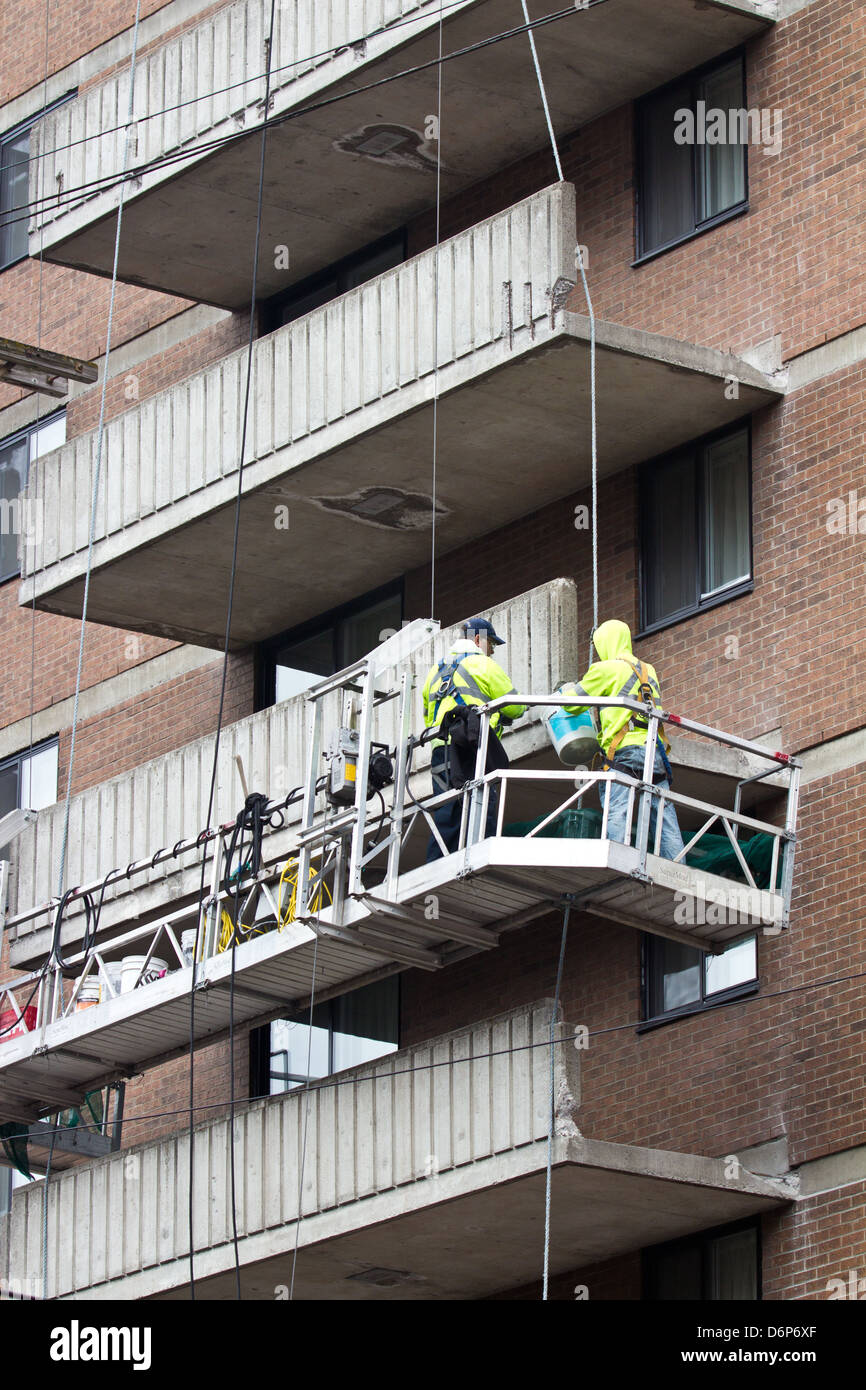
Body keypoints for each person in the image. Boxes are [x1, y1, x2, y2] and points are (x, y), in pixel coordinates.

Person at [562, 619, 684, 861]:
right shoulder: (649, 670)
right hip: (654, 752)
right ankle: (678, 865)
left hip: (625, 750)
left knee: (618, 810)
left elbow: (571, 703)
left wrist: (565, 690)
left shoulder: (605, 669)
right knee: (664, 817)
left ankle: (616, 862)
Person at [422, 618, 525, 861]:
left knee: (448, 808)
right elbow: (517, 707)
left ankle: (437, 866)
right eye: (491, 644)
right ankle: (477, 862)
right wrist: (498, 714)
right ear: (478, 639)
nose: (492, 650)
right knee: (480, 804)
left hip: (442, 749)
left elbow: (428, 714)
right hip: (471, 747)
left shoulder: (435, 670)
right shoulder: (483, 664)